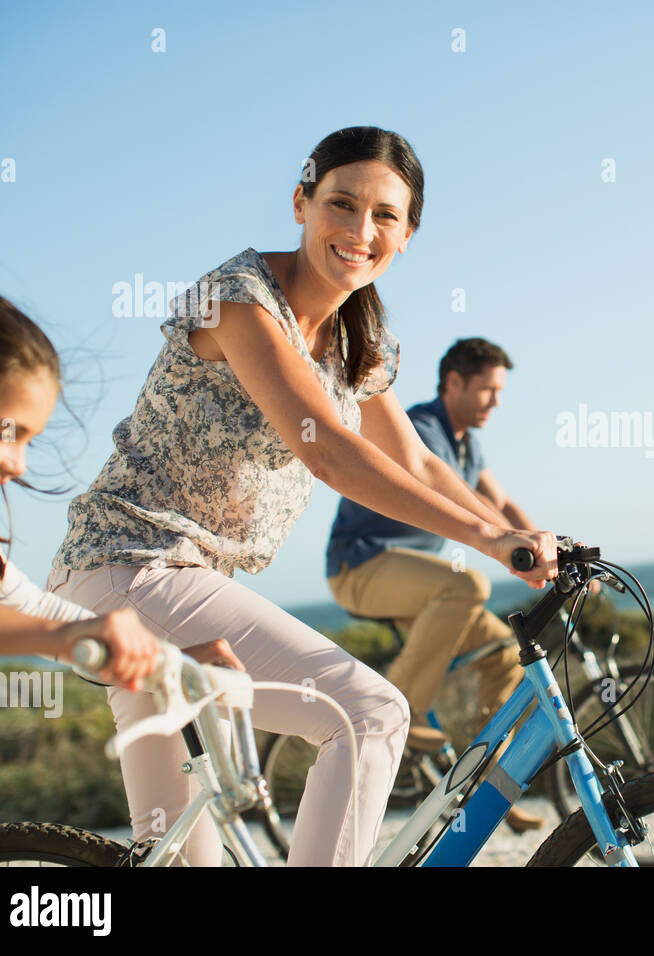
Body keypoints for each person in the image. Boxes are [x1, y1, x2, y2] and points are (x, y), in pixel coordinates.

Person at [44, 127, 557, 866]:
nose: (359, 230)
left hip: (170, 593)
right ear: (300, 203)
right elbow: (329, 453)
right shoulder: (237, 301)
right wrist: (488, 543)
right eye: (340, 205)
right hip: (133, 566)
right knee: (368, 715)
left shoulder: (359, 342)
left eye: (385, 216)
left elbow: (411, 460)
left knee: (179, 858)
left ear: (407, 236)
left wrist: (524, 536)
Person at [326, 337, 559, 833]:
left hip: (414, 583)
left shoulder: (469, 444)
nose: (496, 401)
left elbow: (503, 504)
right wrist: (504, 541)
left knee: (506, 653)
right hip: (360, 568)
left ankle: (488, 785)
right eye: (487, 390)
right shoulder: (423, 427)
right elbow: (454, 493)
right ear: (454, 383)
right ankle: (405, 707)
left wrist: (550, 548)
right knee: (467, 585)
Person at [0, 285, 240, 686]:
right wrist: (65, 637)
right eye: (3, 432)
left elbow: (24, 607)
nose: (17, 465)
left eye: (28, 441)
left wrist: (162, 658)